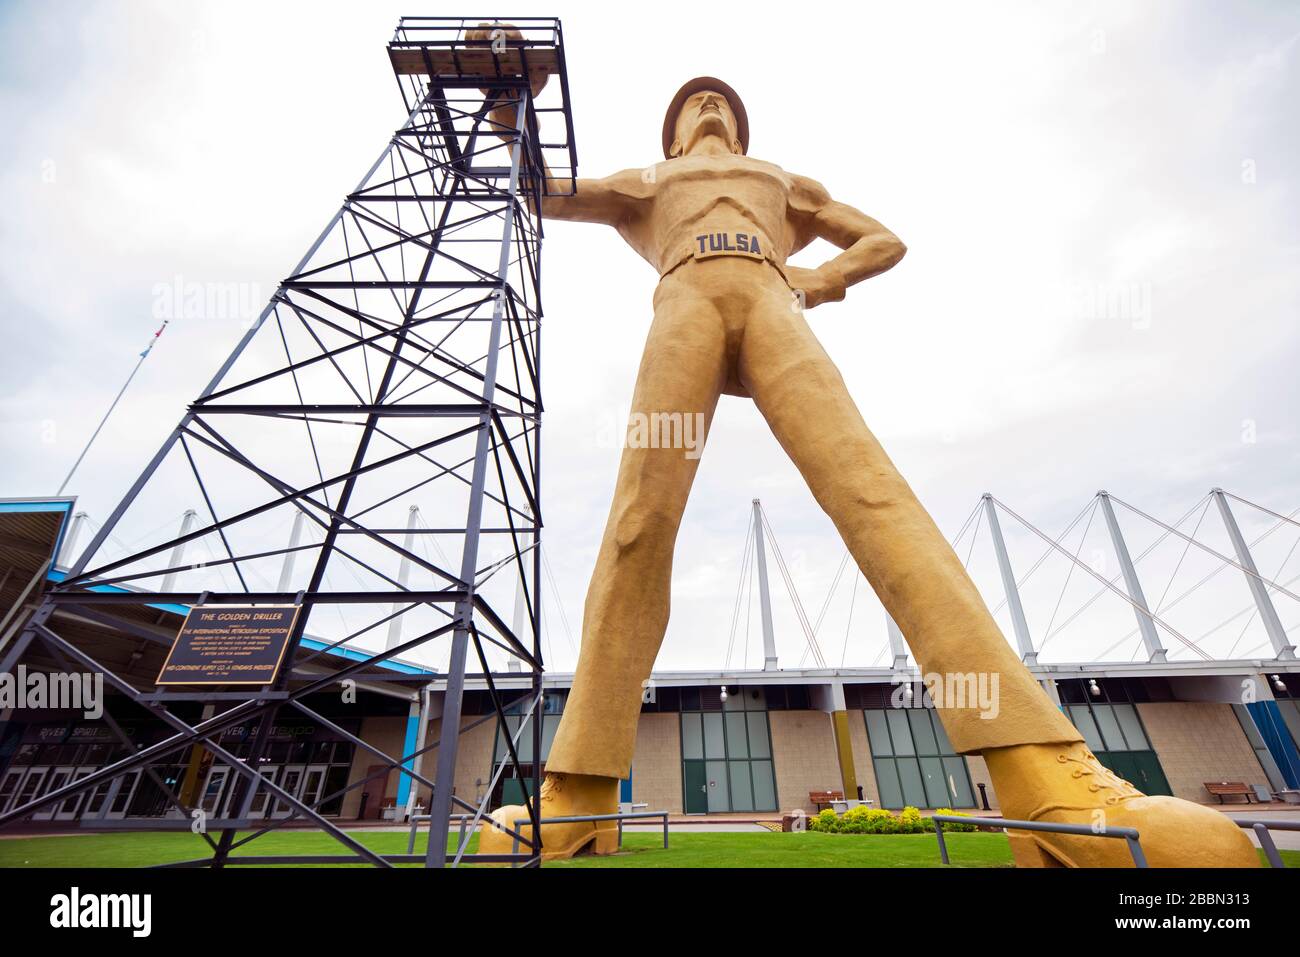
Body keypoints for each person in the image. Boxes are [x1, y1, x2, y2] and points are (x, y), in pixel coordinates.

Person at [478, 65, 1258, 867]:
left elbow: (882, 238)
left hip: (775, 304)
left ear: (743, 131)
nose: (708, 105)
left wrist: (818, 280)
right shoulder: (651, 180)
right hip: (684, 305)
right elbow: (546, 187)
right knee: (639, 520)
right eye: (691, 102)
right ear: (671, 134)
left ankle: (1039, 775)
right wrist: (508, 110)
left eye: (723, 101)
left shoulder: (781, 181)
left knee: (874, 495)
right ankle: (578, 790)